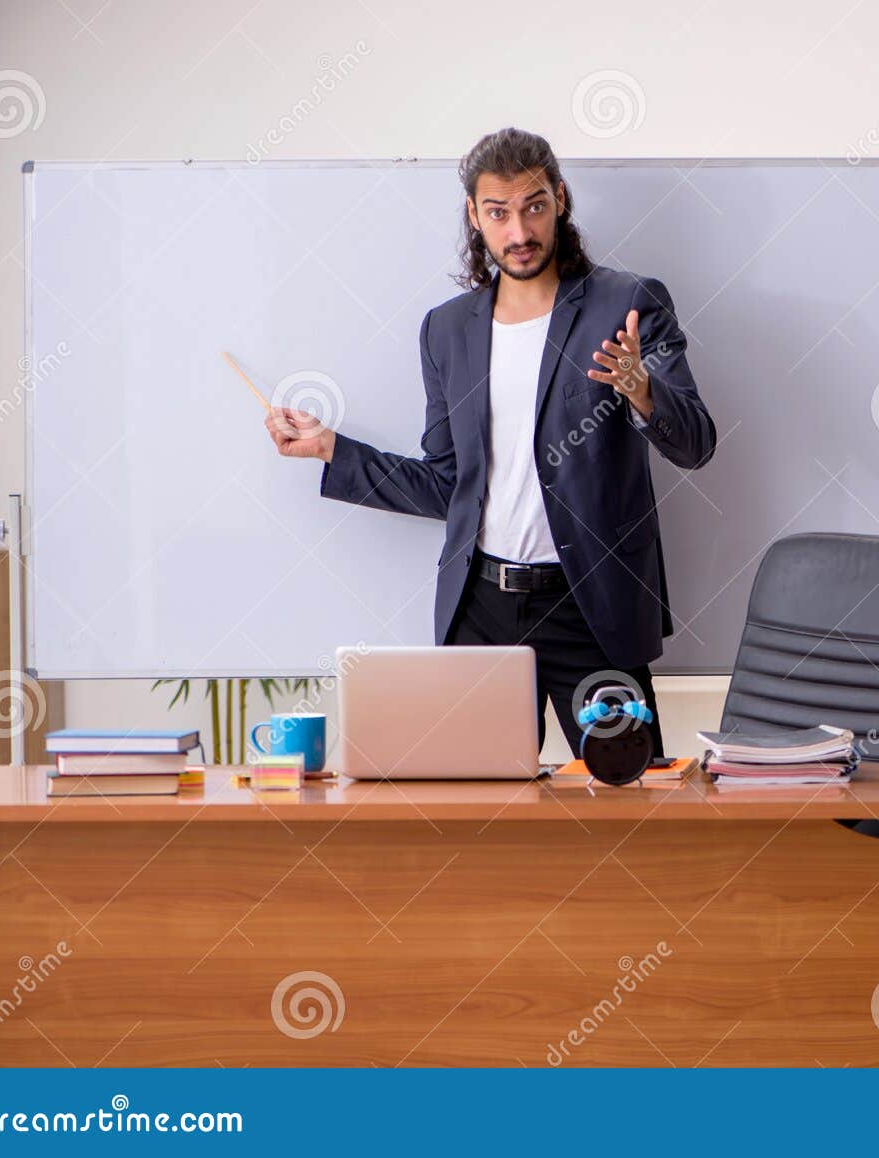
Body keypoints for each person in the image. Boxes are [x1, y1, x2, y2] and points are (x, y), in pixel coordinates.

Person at [266, 127, 716, 756]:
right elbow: (447, 485)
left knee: (629, 807)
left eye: (534, 206)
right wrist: (332, 450)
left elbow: (696, 445)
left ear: (559, 199)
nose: (520, 231)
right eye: (499, 213)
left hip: (591, 608)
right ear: (475, 216)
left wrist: (641, 390)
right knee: (477, 819)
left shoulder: (628, 303)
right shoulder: (447, 330)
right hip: (478, 609)